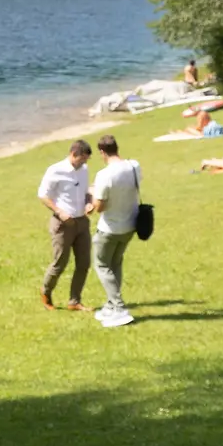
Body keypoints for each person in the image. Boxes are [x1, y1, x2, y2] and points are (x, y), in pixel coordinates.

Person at [87, 134, 141, 328]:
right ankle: (111, 305)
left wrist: (92, 198)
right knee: (115, 263)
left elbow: (100, 206)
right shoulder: (134, 166)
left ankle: (119, 308)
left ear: (102, 152)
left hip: (110, 227)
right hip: (130, 224)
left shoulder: (104, 175)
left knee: (102, 265)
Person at [36, 140, 94, 310]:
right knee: (60, 262)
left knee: (84, 263)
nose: (84, 163)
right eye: (82, 159)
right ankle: (46, 292)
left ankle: (74, 301)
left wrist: (89, 202)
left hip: (81, 221)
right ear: (73, 154)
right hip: (63, 223)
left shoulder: (84, 170)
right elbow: (43, 195)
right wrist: (59, 211)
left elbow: (86, 191)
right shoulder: (55, 170)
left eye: (86, 160)